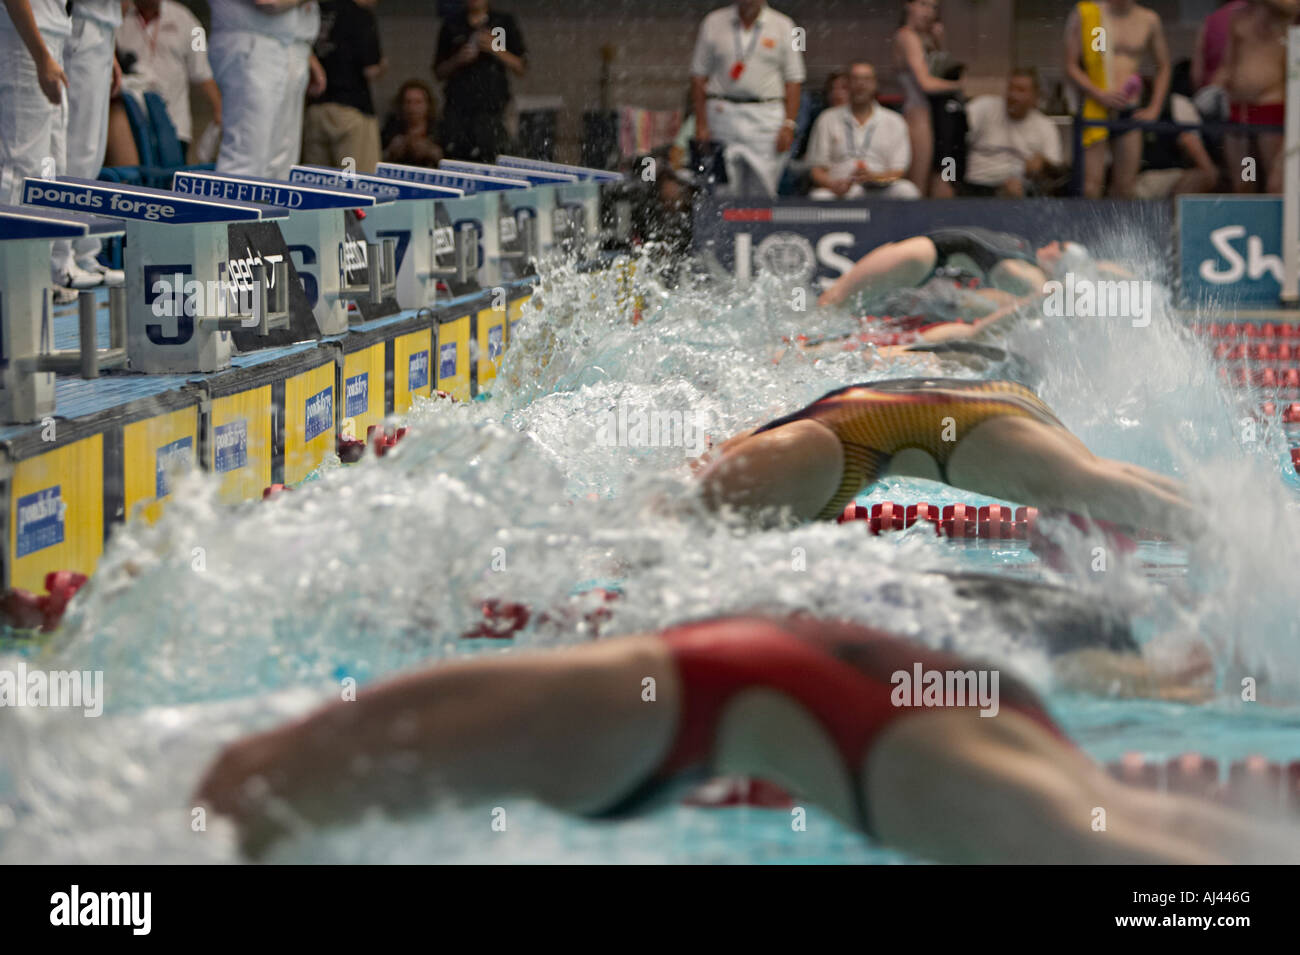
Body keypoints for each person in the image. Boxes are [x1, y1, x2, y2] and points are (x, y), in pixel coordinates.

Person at [195, 613, 1293, 862]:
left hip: (847, 713)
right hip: (907, 690)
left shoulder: (574, 713)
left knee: (1139, 868)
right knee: (1142, 832)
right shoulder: (571, 699)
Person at [695, 377, 1196, 538]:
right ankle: (1227, 517)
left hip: (941, 421)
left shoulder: (761, 465)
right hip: (988, 400)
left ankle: (1234, 533)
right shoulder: (757, 449)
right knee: (1097, 491)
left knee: (1095, 492)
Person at [690, 0, 805, 198]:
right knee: (723, 189)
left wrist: (789, 123)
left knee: (763, 189)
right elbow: (698, 75)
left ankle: (758, 228)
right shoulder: (712, 22)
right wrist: (701, 123)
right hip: (722, 113)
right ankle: (726, 228)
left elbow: (794, 79)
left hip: (767, 115)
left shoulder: (786, 25)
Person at [50, 0, 123, 291]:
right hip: (80, 23)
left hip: (104, 27)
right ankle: (60, 257)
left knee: (92, 153)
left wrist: (112, 51)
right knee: (74, 151)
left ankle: (84, 252)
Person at [1064, 0, 1171, 198]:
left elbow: (1163, 66)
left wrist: (1155, 107)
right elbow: (1071, 66)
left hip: (1129, 110)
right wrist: (1099, 93)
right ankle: (1088, 228)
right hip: (1095, 108)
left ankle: (1117, 230)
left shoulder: (1149, 19)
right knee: (1090, 187)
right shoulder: (1089, 14)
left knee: (1125, 187)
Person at [209, 0, 326, 179]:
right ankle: (231, 207)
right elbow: (269, 2)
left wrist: (308, 56)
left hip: (288, 45)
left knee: (282, 165)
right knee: (247, 160)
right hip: (254, 45)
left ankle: (273, 208)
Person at [115, 0, 223, 156]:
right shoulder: (118, 18)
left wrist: (219, 107)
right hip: (130, 125)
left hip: (175, 125)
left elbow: (203, 71)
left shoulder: (188, 22)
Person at [1213, 0, 1296, 194]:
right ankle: (1247, 223)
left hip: (1268, 106)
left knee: (1275, 184)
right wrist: (1213, 89)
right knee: (1244, 181)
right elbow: (1228, 62)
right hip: (1238, 110)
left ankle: (1275, 224)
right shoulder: (1238, 16)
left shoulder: (1280, 13)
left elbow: (1292, 8)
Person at [805, 61, 918, 200]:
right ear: (848, 84)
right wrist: (832, 184)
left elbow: (899, 171)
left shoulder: (894, 121)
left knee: (907, 190)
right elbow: (816, 170)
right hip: (840, 186)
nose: (861, 84)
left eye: (866, 79)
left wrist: (874, 178)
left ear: (876, 84)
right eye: (855, 79)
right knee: (819, 197)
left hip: (881, 188)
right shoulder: (827, 118)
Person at [432, 0, 526, 163]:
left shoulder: (502, 22)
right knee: (456, 158)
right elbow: (438, 72)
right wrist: (458, 59)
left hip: (493, 109)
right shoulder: (452, 24)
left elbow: (520, 67)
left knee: (492, 157)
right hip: (458, 108)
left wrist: (495, 48)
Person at [302, 0, 386, 174]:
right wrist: (383, 66)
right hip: (351, 114)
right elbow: (370, 69)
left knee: (317, 186)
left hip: (314, 113)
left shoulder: (314, 11)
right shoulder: (360, 16)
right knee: (356, 185)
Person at [893, 0, 962, 197]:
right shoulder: (907, 36)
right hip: (917, 115)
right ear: (908, 5)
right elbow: (926, 83)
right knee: (917, 187)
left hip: (931, 115)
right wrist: (960, 86)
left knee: (937, 182)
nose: (929, 12)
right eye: (923, 4)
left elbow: (942, 70)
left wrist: (940, 42)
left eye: (933, 7)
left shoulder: (924, 38)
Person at [963, 68, 1067, 198]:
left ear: (1035, 97)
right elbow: (952, 139)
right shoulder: (983, 108)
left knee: (1016, 191)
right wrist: (947, 177)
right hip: (975, 187)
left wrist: (1043, 163)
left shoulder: (1045, 126)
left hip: (1019, 189)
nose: (1013, 95)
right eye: (1011, 88)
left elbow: (1056, 171)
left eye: (1021, 90)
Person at [1134, 75, 1217, 198]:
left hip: (1172, 176)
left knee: (1204, 176)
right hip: (1137, 180)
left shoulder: (1177, 104)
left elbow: (1206, 167)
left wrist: (1210, 173)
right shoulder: (1125, 104)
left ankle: (1177, 216)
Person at [380, 79, 442, 167]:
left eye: (418, 102)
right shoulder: (391, 128)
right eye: (408, 102)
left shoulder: (439, 130)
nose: (412, 108)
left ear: (428, 105)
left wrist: (432, 152)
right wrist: (391, 151)